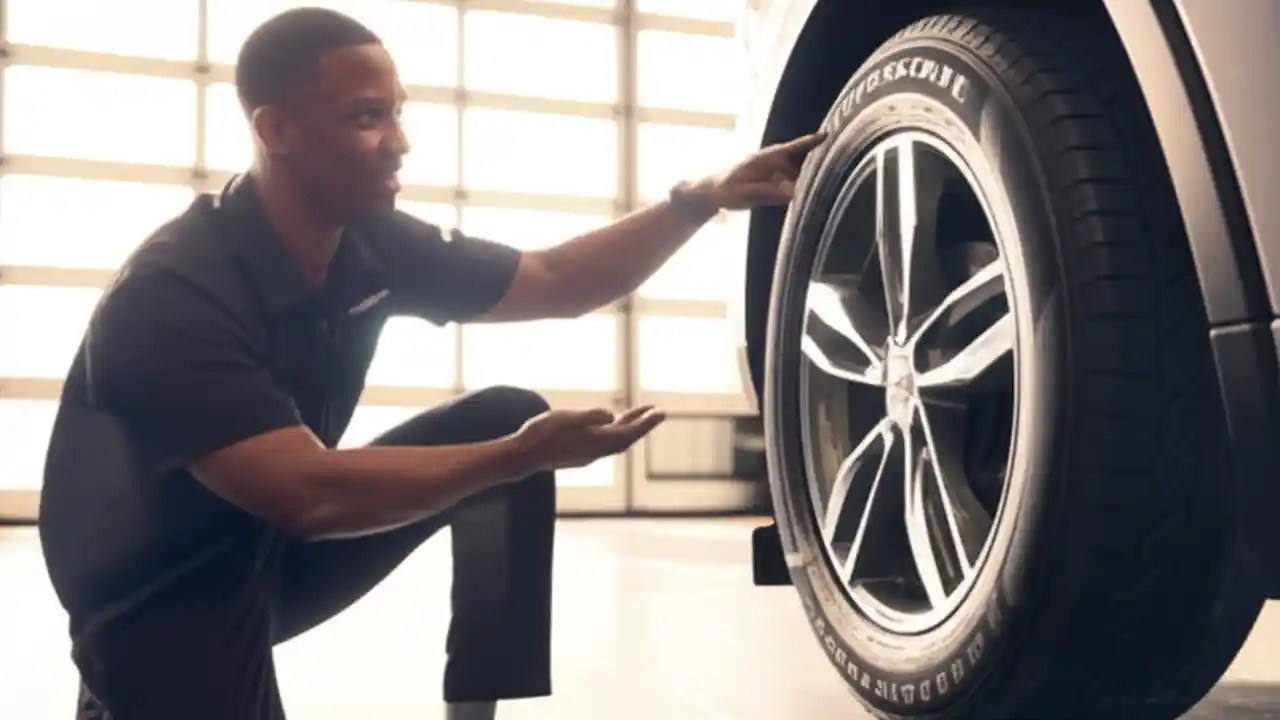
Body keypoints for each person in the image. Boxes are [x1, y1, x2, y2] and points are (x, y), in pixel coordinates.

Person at [37, 7, 825, 720]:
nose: (400, 141)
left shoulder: (369, 240)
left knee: (504, 412)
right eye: (367, 117)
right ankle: (119, 687)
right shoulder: (173, 291)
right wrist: (520, 457)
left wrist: (697, 199)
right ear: (275, 130)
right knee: (506, 443)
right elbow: (304, 496)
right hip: (159, 589)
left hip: (274, 548)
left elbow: (557, 281)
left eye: (397, 112)